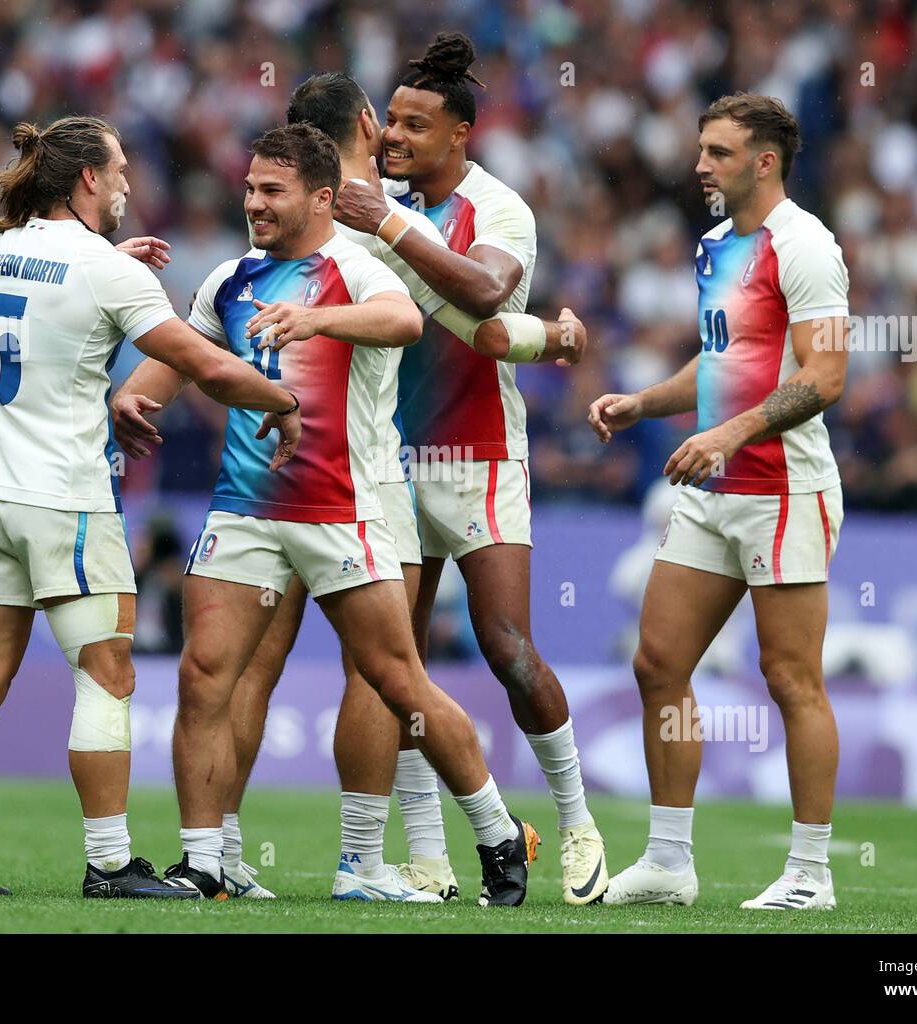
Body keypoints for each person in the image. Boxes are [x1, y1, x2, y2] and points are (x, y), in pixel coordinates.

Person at [114, 70, 585, 901]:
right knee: (217, 674)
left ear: (318, 192)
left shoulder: (370, 247)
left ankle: (467, 836)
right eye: (250, 188)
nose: (255, 203)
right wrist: (132, 396)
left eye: (271, 190)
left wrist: (548, 335)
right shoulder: (232, 275)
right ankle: (211, 859)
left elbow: (423, 318)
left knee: (390, 677)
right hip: (253, 505)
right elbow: (186, 355)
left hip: (357, 501)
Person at [0, 115, 302, 900]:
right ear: (88, 179)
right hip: (66, 501)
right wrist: (281, 396)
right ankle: (108, 864)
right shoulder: (105, 272)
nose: (131, 180)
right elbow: (203, 362)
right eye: (121, 168)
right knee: (107, 678)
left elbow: (49, 312)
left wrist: (110, 269)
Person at [331, 31, 609, 904]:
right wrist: (551, 337)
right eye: (392, 125)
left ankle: (577, 824)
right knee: (397, 662)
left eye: (417, 125)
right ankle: (424, 855)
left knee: (506, 645)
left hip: (482, 456)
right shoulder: (375, 207)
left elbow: (485, 298)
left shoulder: (497, 208)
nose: (398, 139)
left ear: (462, 136)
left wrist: (388, 222)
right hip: (392, 458)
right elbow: (487, 329)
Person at [588, 92, 850, 910]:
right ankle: (669, 861)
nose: (700, 164)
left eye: (719, 152)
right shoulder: (713, 247)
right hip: (714, 487)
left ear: (764, 161)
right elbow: (717, 370)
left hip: (783, 488)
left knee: (790, 677)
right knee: (658, 660)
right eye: (702, 149)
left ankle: (810, 874)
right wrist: (644, 402)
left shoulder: (808, 246)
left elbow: (826, 375)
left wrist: (728, 435)